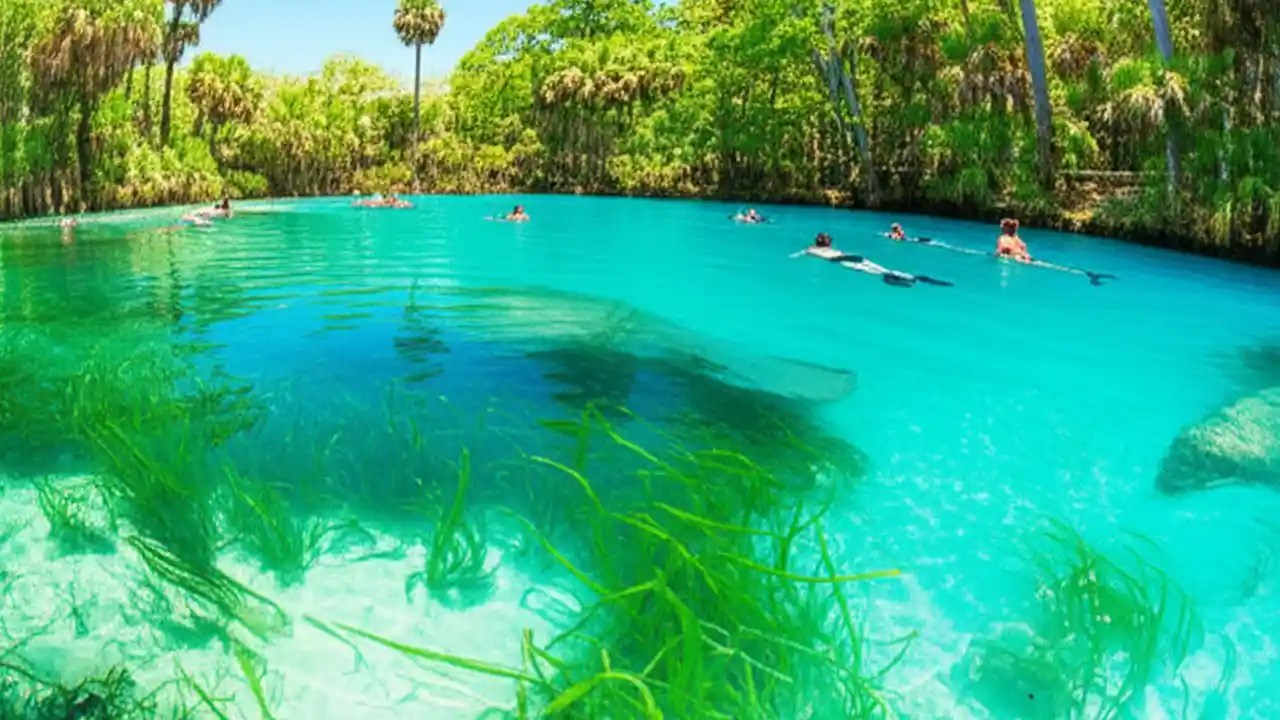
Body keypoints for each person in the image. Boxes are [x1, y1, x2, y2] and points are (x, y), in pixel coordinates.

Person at [799, 233, 951, 287]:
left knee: (875, 273)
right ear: (829, 243)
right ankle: (911, 277)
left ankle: (899, 279)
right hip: (851, 257)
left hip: (839, 260)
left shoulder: (810, 250)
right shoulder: (831, 249)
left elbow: (797, 255)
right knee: (881, 270)